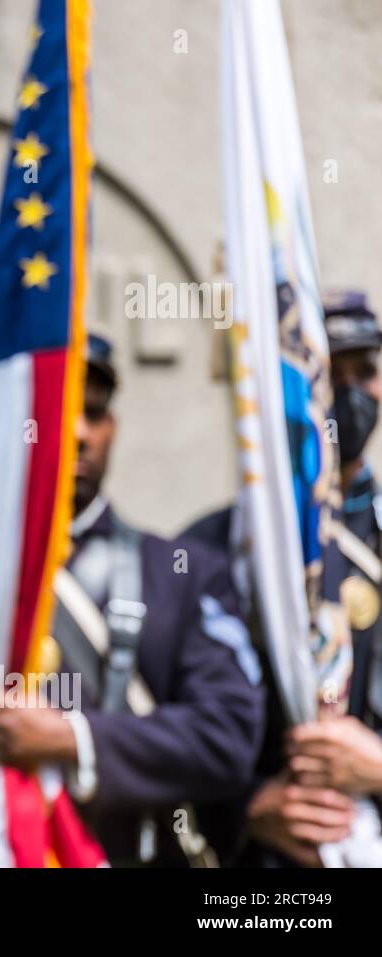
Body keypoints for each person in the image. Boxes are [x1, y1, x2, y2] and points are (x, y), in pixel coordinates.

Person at [0, 334, 265, 866]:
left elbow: (228, 737)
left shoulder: (185, 575)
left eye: (94, 412)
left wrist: (74, 739)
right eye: (58, 410)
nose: (80, 434)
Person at [185, 290, 382, 866]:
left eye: (364, 372)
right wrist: (242, 806)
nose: (347, 393)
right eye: (327, 375)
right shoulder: (212, 548)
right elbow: (167, 727)